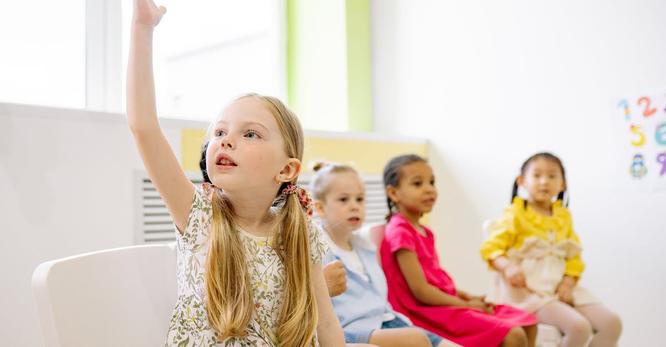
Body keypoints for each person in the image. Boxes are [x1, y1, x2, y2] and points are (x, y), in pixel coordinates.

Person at [126, 1, 344, 345]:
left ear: (286, 169)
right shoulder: (199, 216)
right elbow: (144, 127)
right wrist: (142, 28)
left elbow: (327, 326)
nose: (226, 141)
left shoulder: (301, 233)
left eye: (250, 134)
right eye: (219, 132)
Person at [379, 154, 538, 347]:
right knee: (513, 334)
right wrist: (466, 305)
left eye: (431, 182)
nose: (429, 189)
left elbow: (434, 278)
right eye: (418, 184)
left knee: (527, 321)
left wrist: (465, 296)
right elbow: (421, 291)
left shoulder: (425, 232)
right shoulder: (400, 231)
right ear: (393, 193)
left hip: (443, 303)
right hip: (425, 312)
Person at [480, 152, 622, 347]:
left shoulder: (563, 216)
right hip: (529, 291)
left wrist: (568, 283)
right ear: (522, 181)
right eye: (537, 175)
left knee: (611, 323)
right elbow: (491, 248)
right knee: (579, 327)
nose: (544, 182)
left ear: (562, 184)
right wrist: (507, 267)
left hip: (559, 286)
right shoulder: (515, 214)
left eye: (552, 176)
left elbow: (574, 257)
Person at [311, 163, 459, 347]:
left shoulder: (365, 247)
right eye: (343, 200)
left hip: (386, 320)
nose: (354, 206)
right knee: (417, 340)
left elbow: (380, 298)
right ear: (320, 208)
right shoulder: (317, 251)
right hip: (351, 330)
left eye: (359, 199)